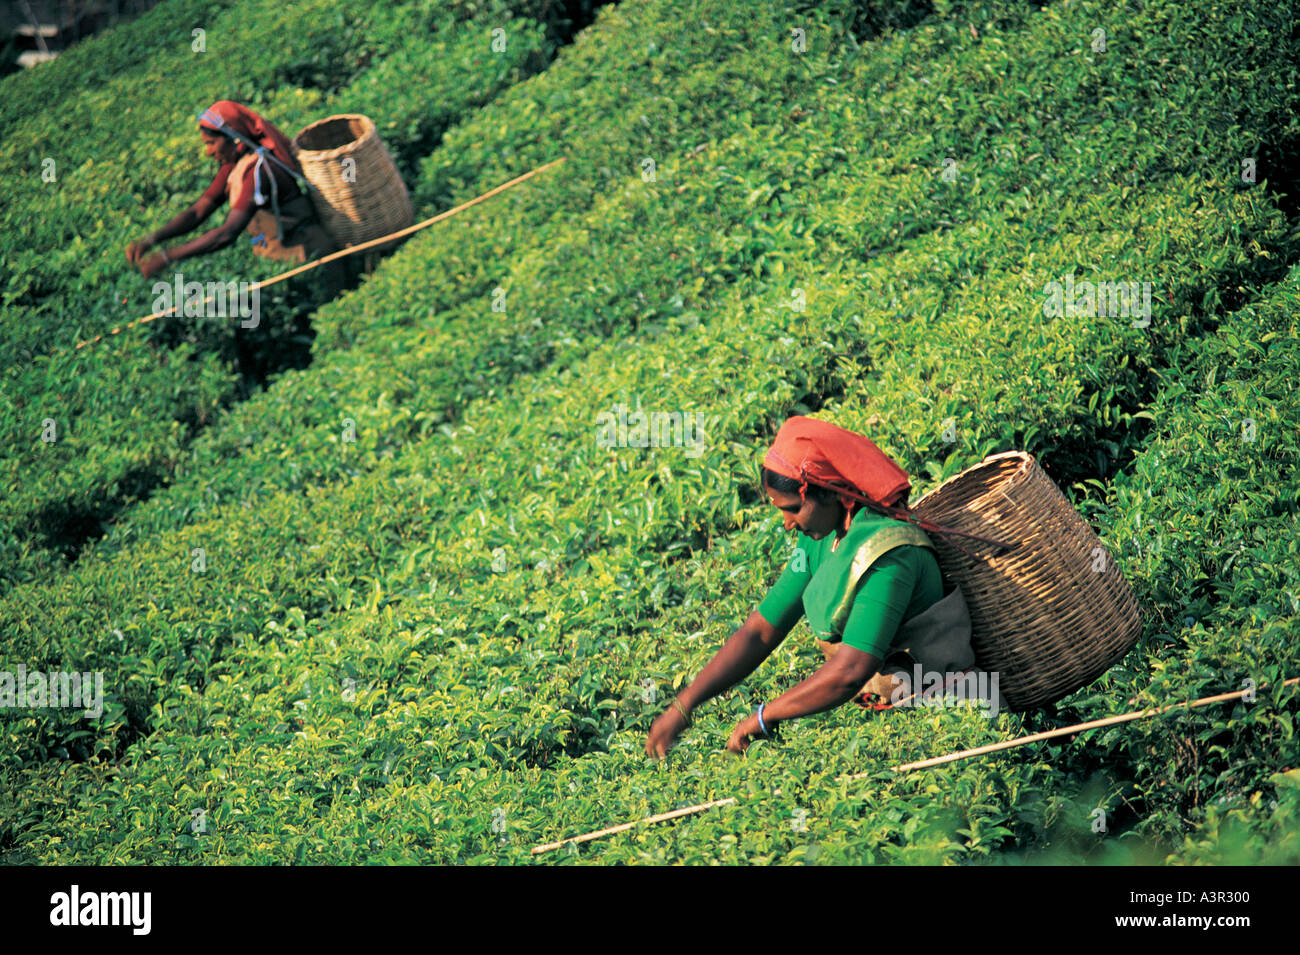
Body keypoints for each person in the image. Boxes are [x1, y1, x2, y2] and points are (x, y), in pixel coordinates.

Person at [645, 415, 1006, 757]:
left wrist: (765, 716)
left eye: (793, 509)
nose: (787, 524)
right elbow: (759, 632)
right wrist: (685, 704)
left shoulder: (891, 551)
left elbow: (850, 672)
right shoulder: (821, 541)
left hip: (956, 721)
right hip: (892, 718)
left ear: (833, 493)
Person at [125, 100, 337, 278]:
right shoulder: (234, 166)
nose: (208, 152)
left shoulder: (260, 172)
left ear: (236, 141)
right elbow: (197, 212)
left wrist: (167, 257)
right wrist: (151, 239)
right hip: (283, 258)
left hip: (311, 257)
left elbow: (227, 234)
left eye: (211, 143)